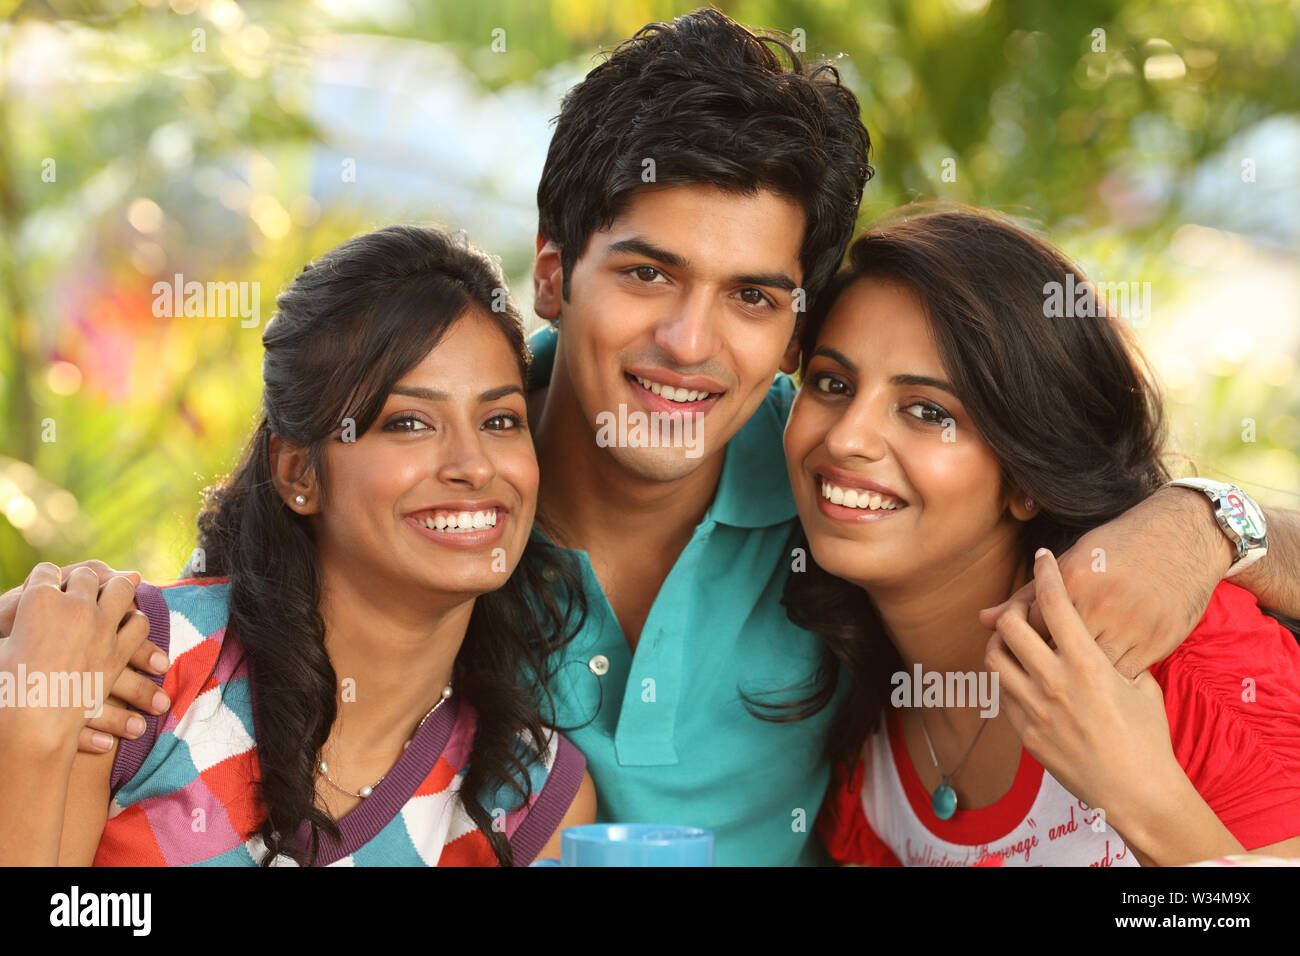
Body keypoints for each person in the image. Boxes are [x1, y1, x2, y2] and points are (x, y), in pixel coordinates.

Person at [8, 9, 1300, 866]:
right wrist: (63, 641)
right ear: (556, 273)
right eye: (647, 275)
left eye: (752, 299)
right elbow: (241, 608)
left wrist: (1209, 521)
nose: (692, 343)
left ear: (795, 326)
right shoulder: (441, 480)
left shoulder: (848, 491)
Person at [0, 225, 595, 866]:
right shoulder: (134, 663)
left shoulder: (528, 794)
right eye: (409, 423)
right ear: (300, 474)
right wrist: (31, 732)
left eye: (499, 420)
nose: (474, 466)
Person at [786, 206, 1300, 866]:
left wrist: (1139, 795)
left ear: (1028, 475)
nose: (846, 438)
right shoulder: (864, 756)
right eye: (832, 383)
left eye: (926, 411)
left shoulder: (1194, 666)